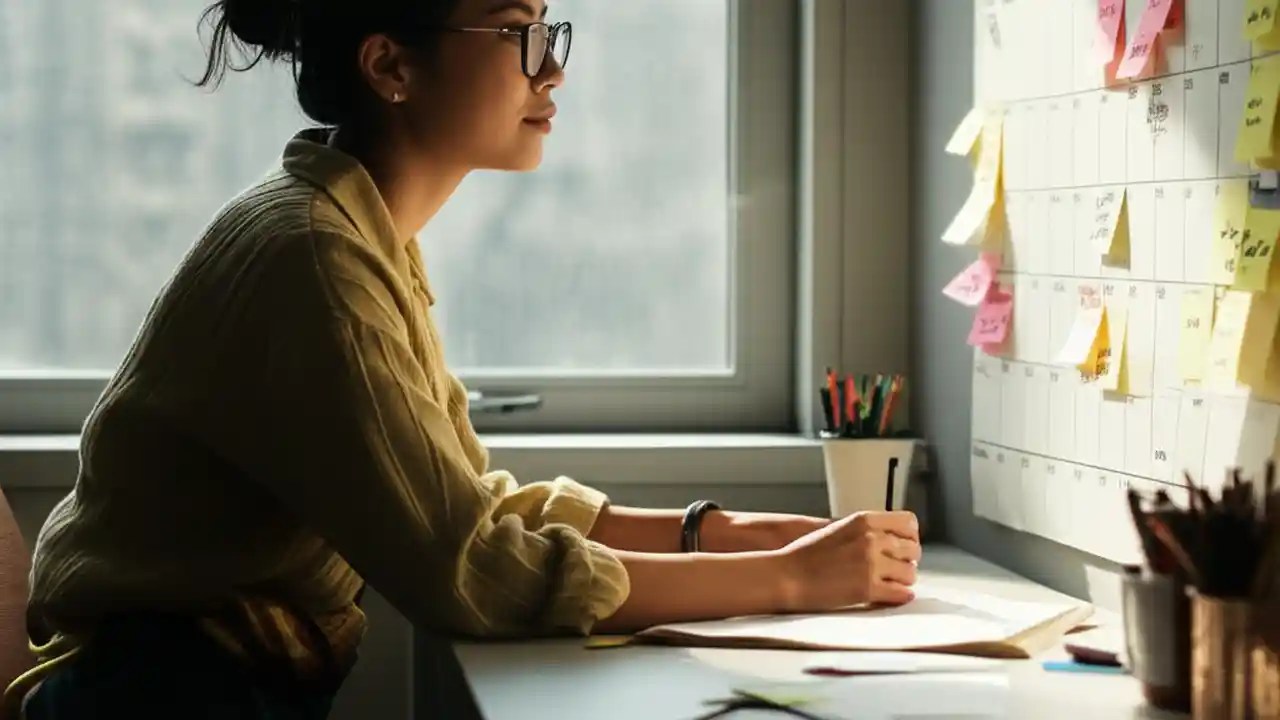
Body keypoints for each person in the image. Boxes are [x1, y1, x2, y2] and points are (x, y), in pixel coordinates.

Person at [4, 0, 922, 716]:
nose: (554, 67)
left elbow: (464, 500)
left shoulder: (353, 233)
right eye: (519, 33)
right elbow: (471, 569)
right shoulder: (316, 260)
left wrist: (720, 533)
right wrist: (793, 579)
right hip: (162, 702)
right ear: (390, 65)